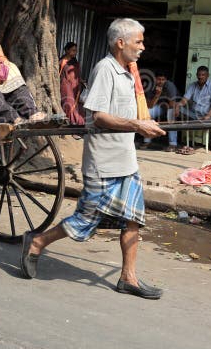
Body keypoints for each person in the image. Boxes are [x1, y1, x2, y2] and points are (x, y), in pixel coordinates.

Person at [20, 18, 166, 299]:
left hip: (126, 161)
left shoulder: (128, 73)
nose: (142, 47)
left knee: (133, 219)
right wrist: (138, 125)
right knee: (85, 219)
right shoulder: (105, 70)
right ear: (120, 43)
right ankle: (37, 241)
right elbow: (97, 116)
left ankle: (129, 277)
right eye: (138, 42)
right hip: (103, 162)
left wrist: (141, 124)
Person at [168, 65, 211, 154]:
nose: (201, 77)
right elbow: (184, 100)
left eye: (203, 75)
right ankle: (172, 143)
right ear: (196, 75)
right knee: (171, 111)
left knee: (207, 117)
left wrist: (207, 117)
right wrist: (177, 106)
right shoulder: (193, 85)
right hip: (194, 114)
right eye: (199, 74)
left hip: (208, 117)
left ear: (208, 75)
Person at [139, 71, 179, 150]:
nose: (161, 82)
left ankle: (173, 143)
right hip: (161, 106)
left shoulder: (169, 85)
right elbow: (150, 105)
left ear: (166, 80)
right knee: (148, 113)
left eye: (163, 79)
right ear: (155, 79)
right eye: (159, 79)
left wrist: (166, 105)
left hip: (174, 106)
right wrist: (157, 95)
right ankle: (147, 140)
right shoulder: (150, 86)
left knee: (170, 114)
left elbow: (172, 104)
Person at [59, 42, 85, 125]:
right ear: (67, 50)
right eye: (73, 50)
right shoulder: (61, 61)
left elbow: (77, 74)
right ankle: (70, 121)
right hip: (65, 86)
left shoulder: (75, 62)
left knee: (75, 104)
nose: (75, 52)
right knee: (68, 102)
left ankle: (75, 122)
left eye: (76, 51)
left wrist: (81, 81)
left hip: (75, 87)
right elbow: (59, 74)